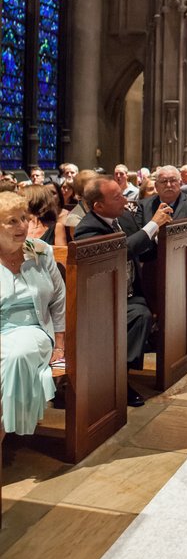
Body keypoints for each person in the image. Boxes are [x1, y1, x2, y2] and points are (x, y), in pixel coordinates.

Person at [75, 177, 172, 407]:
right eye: (117, 197)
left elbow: (143, 252)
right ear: (98, 206)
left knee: (145, 312)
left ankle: (117, 375)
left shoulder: (124, 217)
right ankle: (118, 380)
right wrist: (152, 225)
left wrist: (162, 233)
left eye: (122, 193)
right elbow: (121, 250)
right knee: (140, 316)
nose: (125, 200)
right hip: (100, 302)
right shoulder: (87, 229)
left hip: (127, 294)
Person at [0, 191, 66, 435]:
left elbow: (59, 298)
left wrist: (60, 344)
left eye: (24, 218)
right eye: (12, 221)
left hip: (34, 329)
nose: (22, 226)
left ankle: (4, 430)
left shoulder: (40, 251)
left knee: (18, 354)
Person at [138, 165, 187, 304]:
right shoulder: (144, 206)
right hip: (151, 263)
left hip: (183, 265)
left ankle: (184, 325)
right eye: (164, 181)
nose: (168, 185)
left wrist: (171, 248)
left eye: (173, 180)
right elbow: (138, 237)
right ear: (156, 186)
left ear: (180, 183)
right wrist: (157, 239)